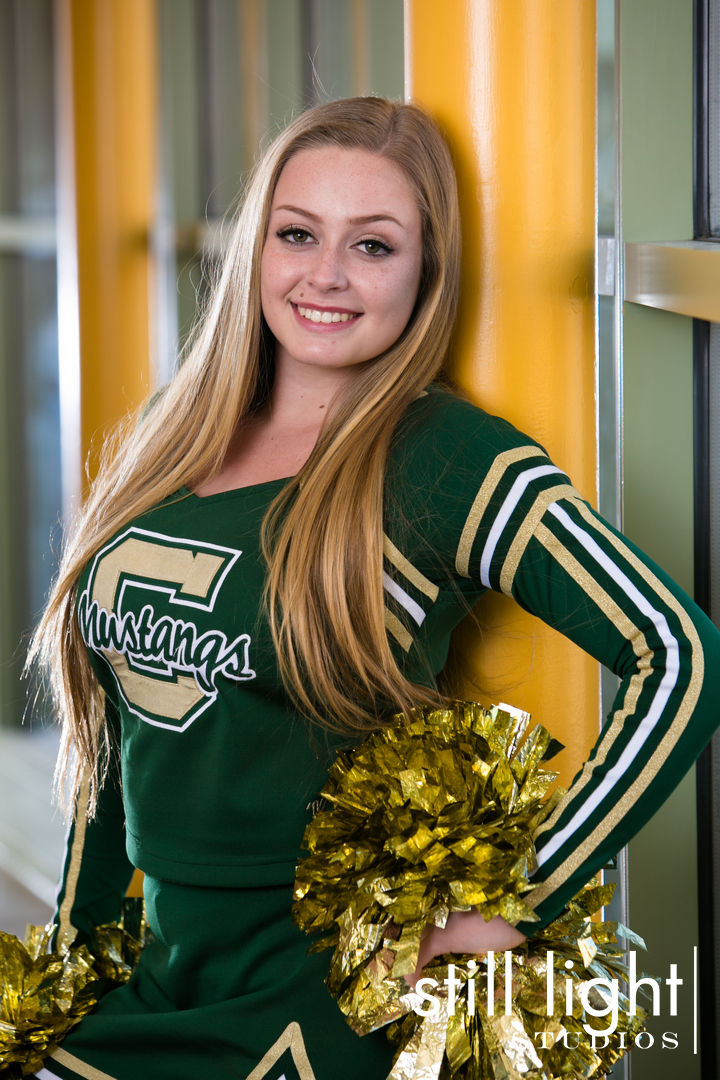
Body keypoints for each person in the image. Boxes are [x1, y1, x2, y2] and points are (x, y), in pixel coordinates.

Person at [29, 97, 720, 1080]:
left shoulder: (447, 459)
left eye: (375, 246)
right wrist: (71, 957)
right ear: (255, 248)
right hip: (154, 979)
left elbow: (681, 654)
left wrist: (523, 893)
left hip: (308, 1010)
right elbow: (117, 730)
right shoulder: (171, 437)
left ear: (426, 275)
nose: (326, 276)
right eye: (298, 233)